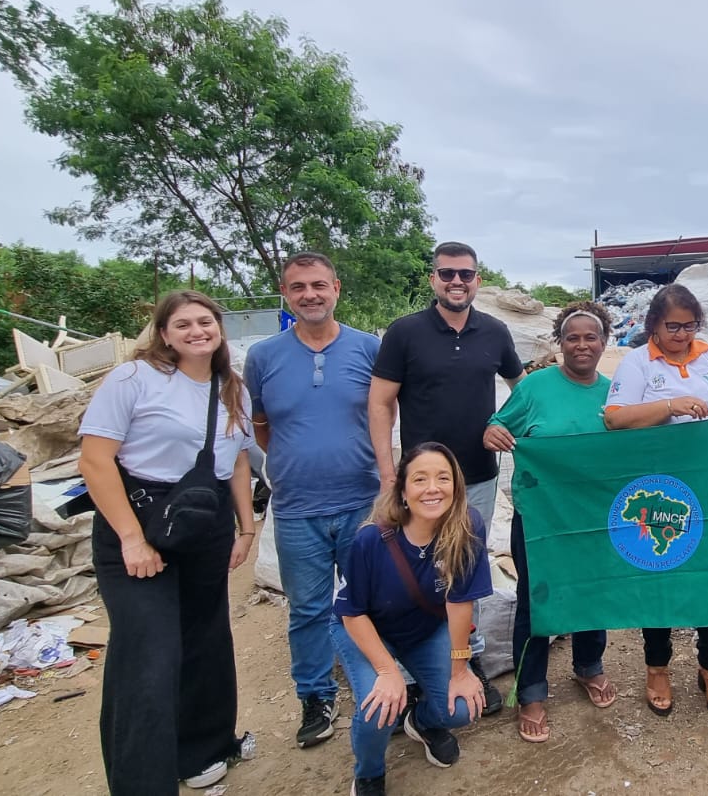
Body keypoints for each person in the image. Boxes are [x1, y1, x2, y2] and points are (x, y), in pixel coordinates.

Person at [77, 291, 256, 795]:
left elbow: (238, 461)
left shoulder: (231, 387)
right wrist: (132, 540)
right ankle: (142, 783)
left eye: (205, 321)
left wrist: (245, 529)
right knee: (148, 656)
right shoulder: (134, 379)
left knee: (206, 641)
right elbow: (95, 461)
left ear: (219, 328)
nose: (197, 331)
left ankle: (203, 752)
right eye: (183, 324)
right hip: (140, 522)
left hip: (206, 522)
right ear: (164, 333)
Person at [369, 240, 524, 715]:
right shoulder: (405, 333)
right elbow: (380, 403)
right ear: (433, 279)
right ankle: (416, 669)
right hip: (421, 484)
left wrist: (504, 423)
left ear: (477, 279)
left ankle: (468, 661)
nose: (456, 281)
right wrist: (388, 473)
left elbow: (523, 391)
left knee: (466, 573)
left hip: (476, 477)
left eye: (465, 274)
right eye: (447, 273)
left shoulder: (495, 331)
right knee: (415, 571)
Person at [244, 252, 383, 748]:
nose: (310, 295)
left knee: (370, 600)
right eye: (299, 287)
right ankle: (316, 696)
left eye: (319, 285)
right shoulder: (263, 357)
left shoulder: (370, 348)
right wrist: (298, 460)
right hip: (297, 506)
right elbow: (261, 426)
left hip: (362, 500)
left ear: (337, 289)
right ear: (285, 294)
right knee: (307, 608)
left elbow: (384, 415)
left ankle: (382, 686)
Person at [603, 283, 708, 717]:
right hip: (658, 488)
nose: (682, 334)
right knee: (659, 571)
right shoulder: (637, 363)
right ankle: (657, 666)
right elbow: (614, 419)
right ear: (653, 324)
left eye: (690, 326)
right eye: (673, 326)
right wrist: (669, 405)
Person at [483, 301, 619, 743]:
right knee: (536, 597)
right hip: (540, 514)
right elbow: (497, 426)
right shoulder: (537, 387)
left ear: (604, 343)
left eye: (590, 337)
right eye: (572, 337)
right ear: (559, 344)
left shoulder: (616, 395)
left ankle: (588, 666)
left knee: (592, 591)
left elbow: (640, 447)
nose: (581, 344)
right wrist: (493, 433)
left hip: (595, 516)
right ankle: (532, 689)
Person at [333, 443, 490, 796]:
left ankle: (421, 721)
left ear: (456, 486)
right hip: (365, 628)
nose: (433, 488)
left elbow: (459, 602)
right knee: (379, 706)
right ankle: (369, 772)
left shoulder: (467, 526)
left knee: (462, 707)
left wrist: (460, 669)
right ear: (403, 491)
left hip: (423, 628)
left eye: (443, 478)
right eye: (420, 479)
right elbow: (352, 612)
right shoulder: (371, 538)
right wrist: (388, 672)